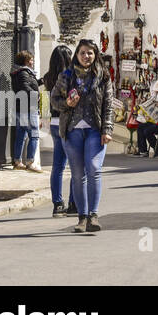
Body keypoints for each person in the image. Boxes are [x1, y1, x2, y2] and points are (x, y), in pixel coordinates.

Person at [49, 39, 114, 233]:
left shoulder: (103, 77)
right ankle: (82, 217)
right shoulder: (66, 75)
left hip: (95, 129)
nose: (87, 56)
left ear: (96, 56)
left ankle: (93, 215)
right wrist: (67, 104)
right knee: (78, 174)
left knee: (94, 168)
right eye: (83, 53)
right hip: (72, 130)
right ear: (77, 54)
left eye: (90, 53)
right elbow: (54, 100)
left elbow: (108, 104)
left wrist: (107, 130)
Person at [41, 44, 77, 217]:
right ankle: (73, 202)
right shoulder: (69, 77)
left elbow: (45, 98)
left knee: (58, 166)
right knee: (74, 165)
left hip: (54, 122)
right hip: (68, 121)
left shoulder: (48, 77)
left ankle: (57, 203)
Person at [9, 50, 41, 171]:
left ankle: (17, 161)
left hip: (20, 107)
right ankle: (30, 162)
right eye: (31, 60)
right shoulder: (23, 72)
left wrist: (40, 82)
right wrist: (35, 95)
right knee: (34, 135)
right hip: (28, 108)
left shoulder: (20, 72)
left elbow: (28, 84)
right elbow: (24, 87)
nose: (32, 62)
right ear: (25, 61)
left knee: (21, 135)